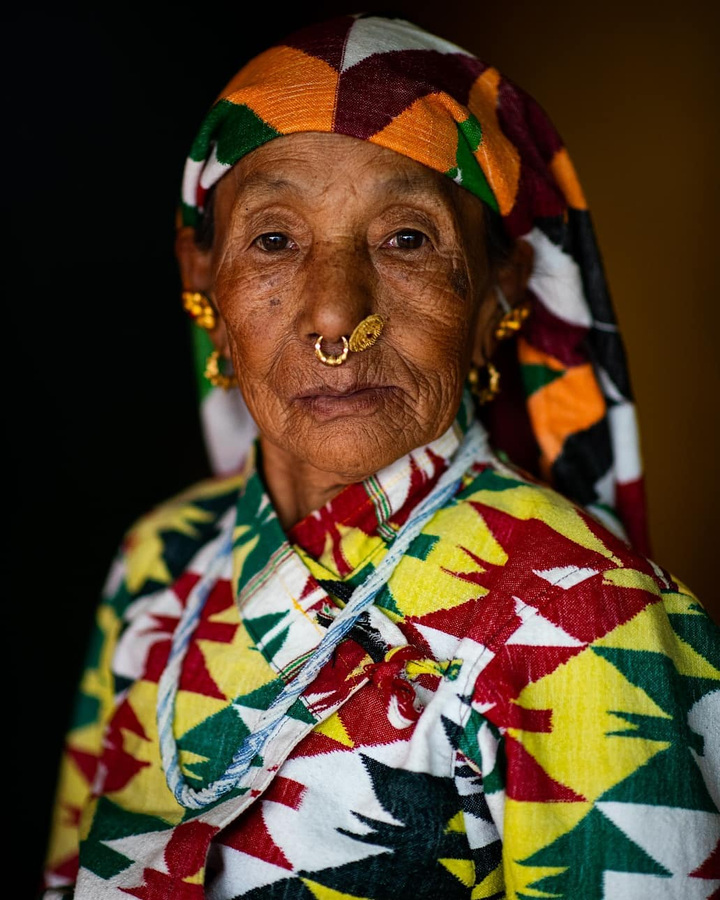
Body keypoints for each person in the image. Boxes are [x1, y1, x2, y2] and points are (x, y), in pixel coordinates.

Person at [39, 12, 719, 900]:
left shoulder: (589, 620)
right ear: (201, 278)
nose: (334, 316)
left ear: (497, 292)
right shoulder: (161, 560)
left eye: (406, 239)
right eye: (274, 240)